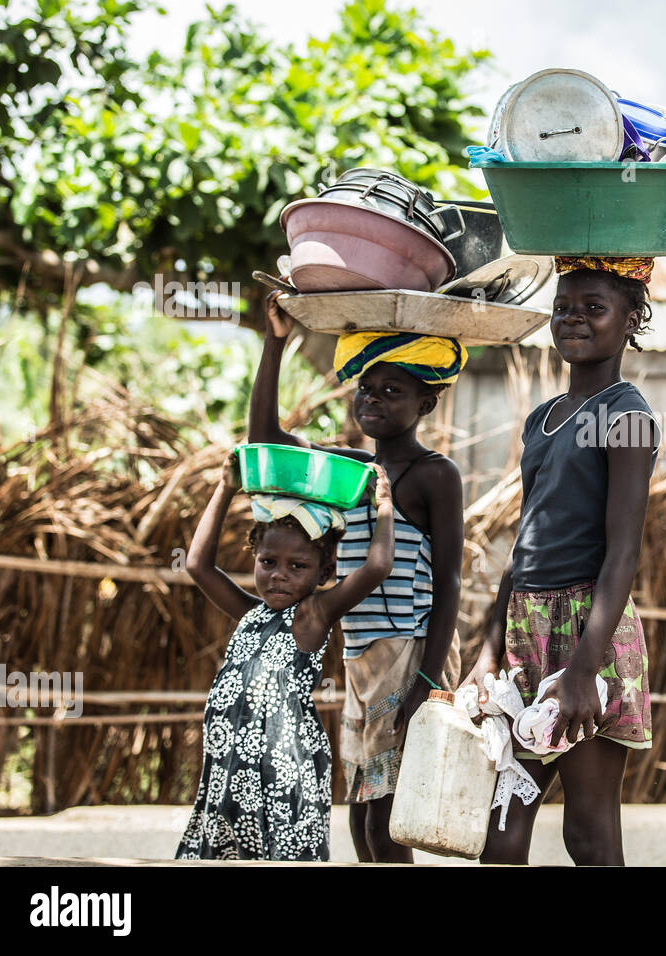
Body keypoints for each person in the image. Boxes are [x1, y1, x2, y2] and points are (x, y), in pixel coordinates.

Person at [458, 256, 661, 866]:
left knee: (589, 836)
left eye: (593, 308)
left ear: (631, 319)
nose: (574, 318)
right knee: (500, 838)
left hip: (588, 632)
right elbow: (527, 543)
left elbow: (623, 550)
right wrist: (489, 651)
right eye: (563, 307)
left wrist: (581, 668)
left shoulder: (628, 417)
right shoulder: (540, 421)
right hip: (526, 627)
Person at [250, 296, 463, 863]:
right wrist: (275, 341)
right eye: (365, 388)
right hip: (361, 656)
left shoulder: (433, 476)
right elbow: (266, 439)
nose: (372, 400)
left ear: (426, 401)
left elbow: (450, 582)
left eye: (392, 391)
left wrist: (429, 677)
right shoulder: (346, 473)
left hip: (409, 651)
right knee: (359, 817)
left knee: (386, 827)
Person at [177, 451, 395, 861]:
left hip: (282, 772)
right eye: (268, 562)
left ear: (323, 573)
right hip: (229, 769)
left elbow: (378, 566)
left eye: (297, 566)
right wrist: (226, 486)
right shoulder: (249, 613)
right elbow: (197, 564)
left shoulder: (313, 615)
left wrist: (384, 507)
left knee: (284, 856)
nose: (279, 574)